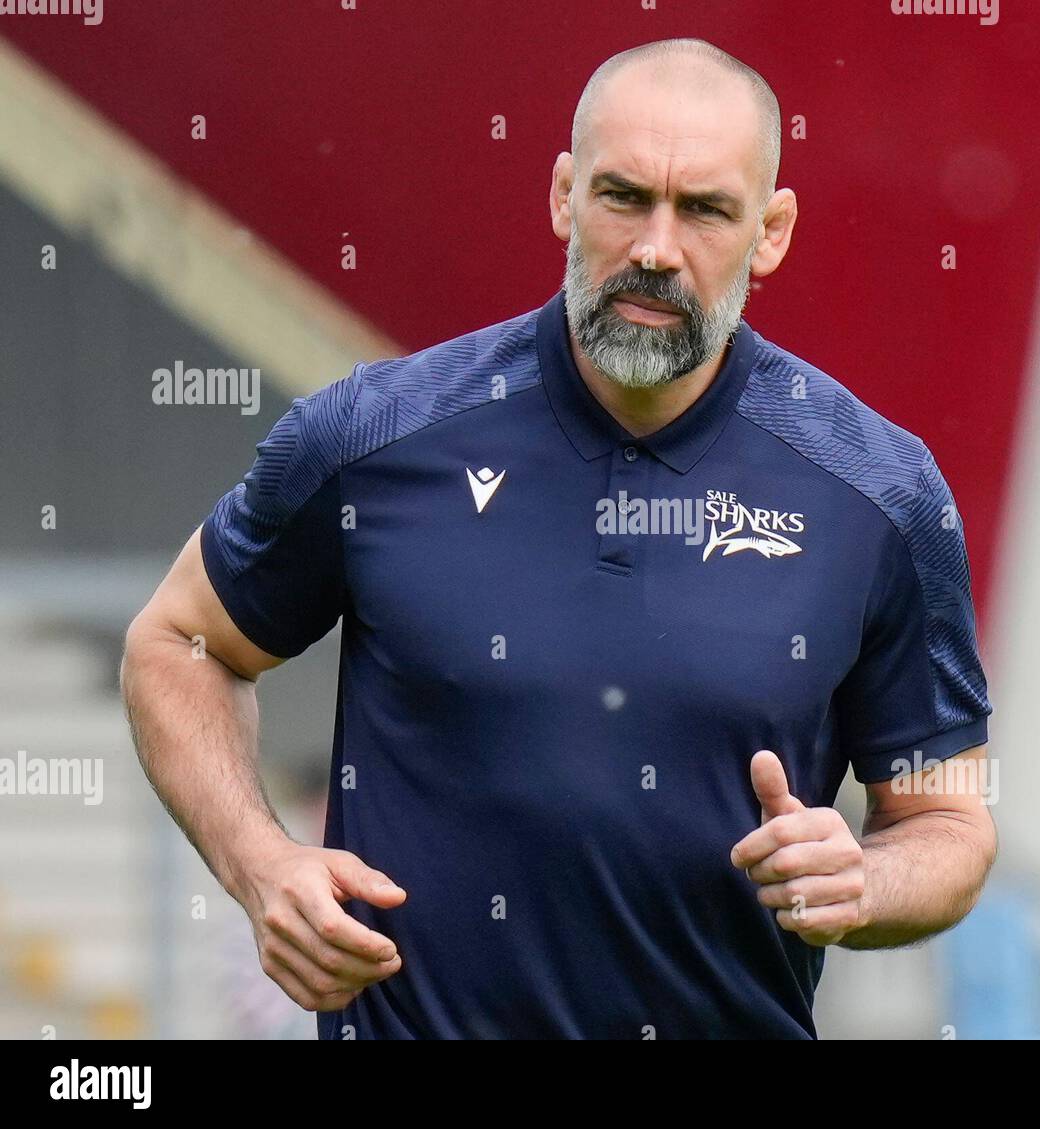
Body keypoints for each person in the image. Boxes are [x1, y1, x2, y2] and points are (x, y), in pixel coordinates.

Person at [121, 37, 995, 1040]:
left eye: (705, 209)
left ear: (771, 230)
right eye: (623, 197)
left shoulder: (879, 491)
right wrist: (261, 864)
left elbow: (948, 824)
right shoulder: (373, 434)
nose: (656, 249)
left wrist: (866, 881)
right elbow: (177, 643)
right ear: (562, 197)